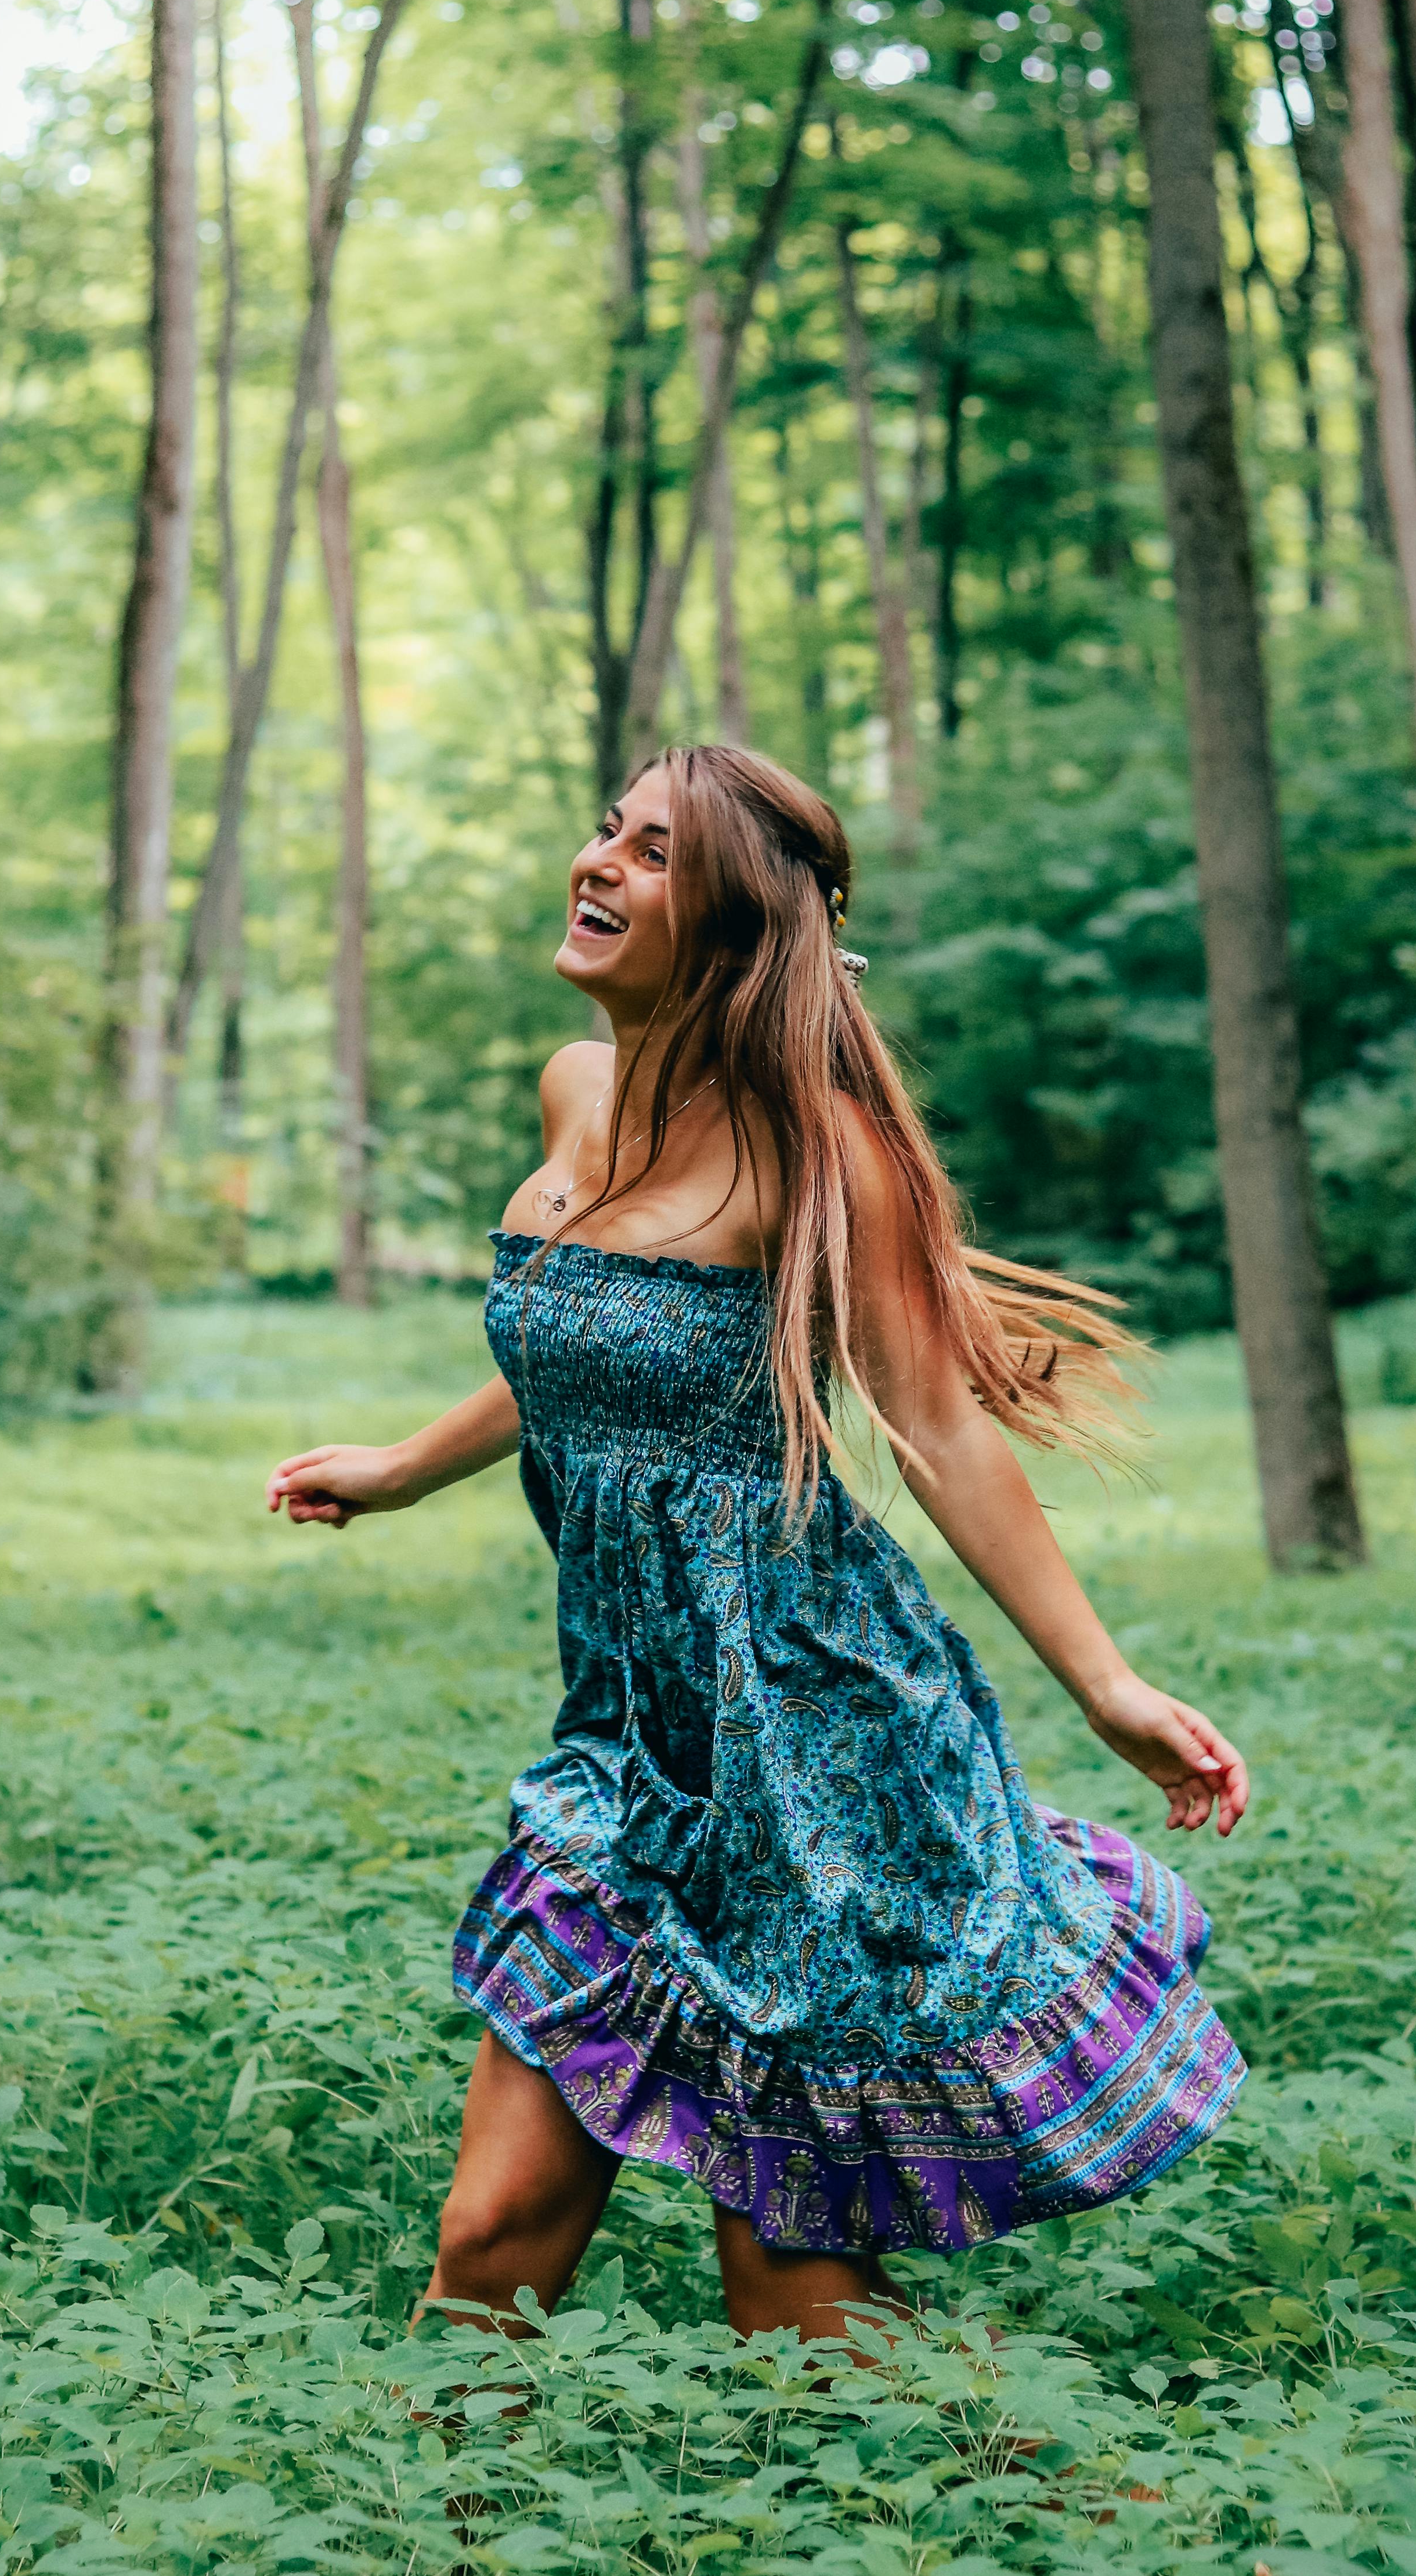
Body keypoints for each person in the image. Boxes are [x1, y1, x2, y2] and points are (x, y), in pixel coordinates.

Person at [267, 746, 1248, 2347]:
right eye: (610, 830)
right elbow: (583, 1353)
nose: (602, 861)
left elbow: (940, 1429)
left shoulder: (815, 1150)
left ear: (730, 928)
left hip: (809, 1748)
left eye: (656, 854)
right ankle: (440, 2503)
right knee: (492, 2236)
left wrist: (1108, 1686)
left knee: (790, 2299)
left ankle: (1047, 2490)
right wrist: (398, 1471)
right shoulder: (574, 1092)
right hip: (631, 1737)